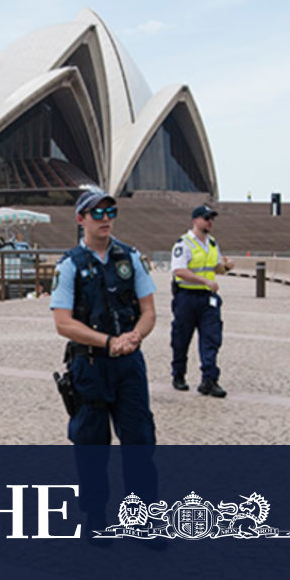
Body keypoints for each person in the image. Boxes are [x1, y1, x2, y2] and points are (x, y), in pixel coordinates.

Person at [51, 190, 157, 445]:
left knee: (140, 441)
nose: (105, 218)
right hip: (90, 365)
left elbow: (149, 311)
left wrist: (136, 335)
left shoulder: (131, 258)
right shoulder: (69, 265)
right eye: (97, 213)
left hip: (128, 363)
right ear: (81, 219)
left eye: (111, 212)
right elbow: (63, 323)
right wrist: (108, 342)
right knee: (91, 447)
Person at [169, 204, 234, 398]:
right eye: (206, 218)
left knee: (211, 338)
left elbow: (215, 267)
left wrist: (226, 267)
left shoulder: (212, 243)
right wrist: (204, 281)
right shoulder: (184, 244)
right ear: (195, 220)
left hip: (207, 299)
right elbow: (179, 270)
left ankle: (209, 380)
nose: (210, 222)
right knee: (181, 338)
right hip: (186, 298)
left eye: (212, 218)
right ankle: (178, 375)